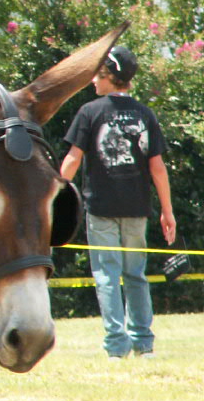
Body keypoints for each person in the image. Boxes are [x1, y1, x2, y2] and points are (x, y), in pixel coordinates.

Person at [59, 44, 175, 359]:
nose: (93, 81)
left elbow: (72, 160)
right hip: (137, 210)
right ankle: (144, 344)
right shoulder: (144, 114)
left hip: (100, 210)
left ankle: (116, 347)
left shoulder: (90, 112)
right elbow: (158, 168)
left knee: (107, 276)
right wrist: (167, 211)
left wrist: (54, 196)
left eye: (98, 74)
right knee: (135, 274)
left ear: (110, 75)